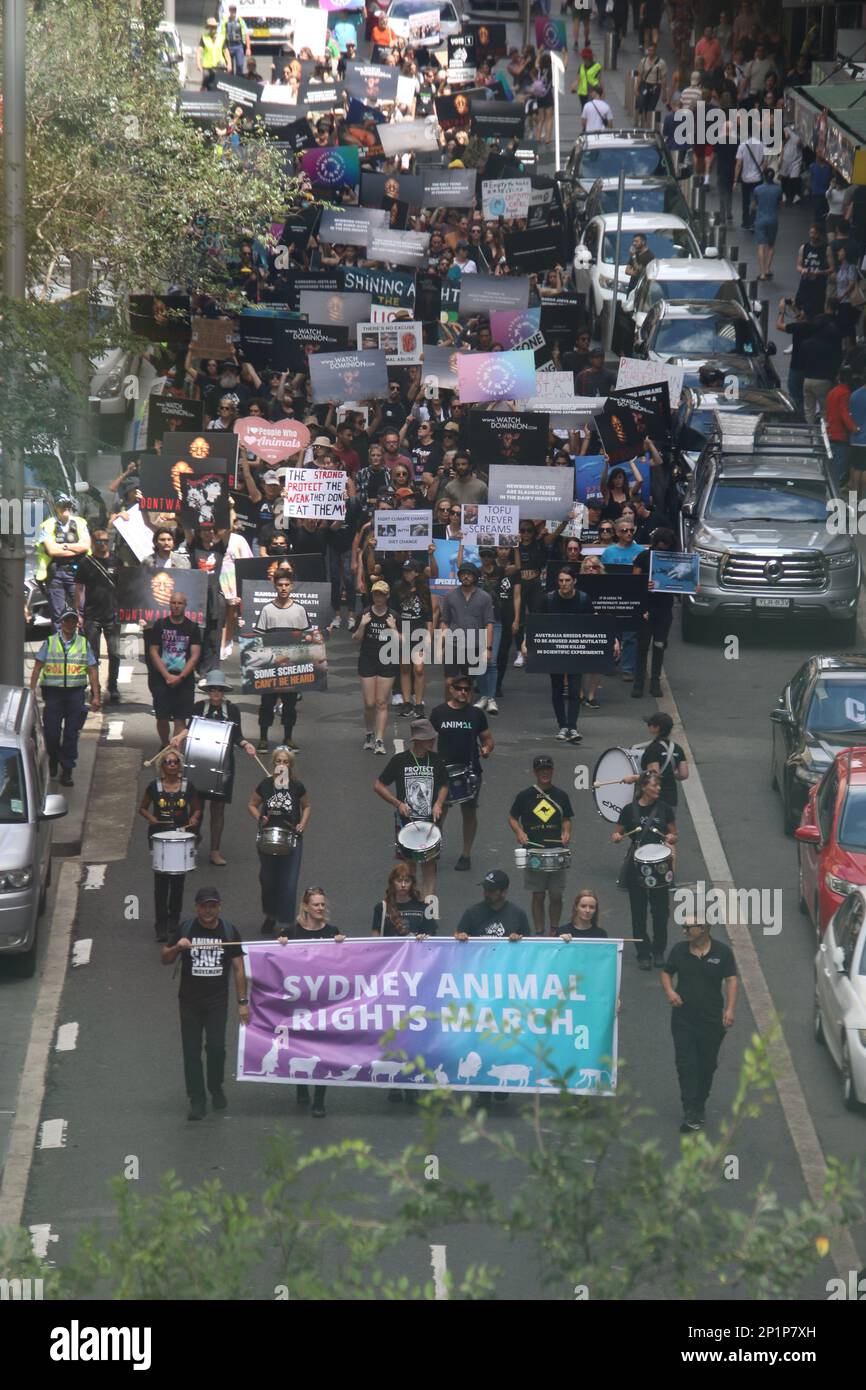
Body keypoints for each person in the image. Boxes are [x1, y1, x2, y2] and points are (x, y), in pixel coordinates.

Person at [162, 886, 247, 1121]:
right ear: (196, 907)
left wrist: (242, 1002)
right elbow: (165, 958)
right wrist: (177, 947)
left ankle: (215, 1086)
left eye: (212, 906)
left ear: (219, 906)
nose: (208, 910)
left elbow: (239, 968)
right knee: (191, 1052)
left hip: (217, 1003)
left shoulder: (229, 932)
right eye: (203, 906)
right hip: (189, 1002)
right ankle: (197, 1099)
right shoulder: (186, 928)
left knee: (217, 1048)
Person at [171, 671, 256, 866]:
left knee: (218, 809)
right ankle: (193, 841)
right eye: (212, 689)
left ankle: (214, 850)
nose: (216, 692)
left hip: (223, 765)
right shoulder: (199, 707)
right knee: (196, 806)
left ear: (224, 691)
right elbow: (190, 728)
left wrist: (246, 745)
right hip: (199, 762)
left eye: (219, 689)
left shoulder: (233, 710)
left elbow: (237, 735)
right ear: (208, 691)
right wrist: (180, 736)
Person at [661, 918, 738, 1132]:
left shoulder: (722, 952)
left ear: (703, 928)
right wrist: (670, 991)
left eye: (689, 927)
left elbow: (731, 980)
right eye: (683, 927)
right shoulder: (679, 950)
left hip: (711, 1020)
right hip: (683, 1019)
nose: (684, 931)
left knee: (706, 1065)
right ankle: (689, 1111)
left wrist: (730, 1009)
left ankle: (700, 1101)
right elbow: (666, 972)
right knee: (685, 1064)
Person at [276, 889, 346, 1118]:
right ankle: (301, 1087)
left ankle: (319, 1100)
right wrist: (280, 945)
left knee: (322, 1049)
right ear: (305, 907)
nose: (320, 908)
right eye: (315, 904)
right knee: (301, 1046)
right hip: (300, 1002)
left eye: (322, 905)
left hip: (324, 1003)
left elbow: (344, 963)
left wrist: (341, 945)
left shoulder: (332, 932)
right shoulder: (291, 932)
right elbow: (278, 962)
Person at [374, 718, 449, 898]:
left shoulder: (436, 760)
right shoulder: (400, 760)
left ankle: (426, 902)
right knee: (408, 865)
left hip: (429, 822)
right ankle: (410, 901)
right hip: (406, 822)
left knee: (430, 864)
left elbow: (445, 784)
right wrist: (398, 803)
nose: (433, 741)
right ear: (418, 740)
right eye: (429, 739)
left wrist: (438, 803)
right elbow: (378, 785)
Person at [611, 771, 677, 970]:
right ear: (644, 787)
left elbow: (673, 833)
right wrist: (616, 837)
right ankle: (643, 952)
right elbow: (617, 832)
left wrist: (672, 838)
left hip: (660, 865)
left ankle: (658, 950)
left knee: (660, 911)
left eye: (659, 785)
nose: (658, 789)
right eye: (654, 785)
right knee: (638, 911)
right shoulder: (629, 810)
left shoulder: (664, 809)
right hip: (637, 865)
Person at [29, 606, 100, 786]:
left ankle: (67, 769)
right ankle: (54, 758)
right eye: (67, 620)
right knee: (51, 734)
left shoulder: (83, 643)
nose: (70, 624)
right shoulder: (50, 642)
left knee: (71, 734)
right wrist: (31, 692)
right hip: (53, 695)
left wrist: (95, 695)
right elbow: (37, 666)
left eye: (73, 621)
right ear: (61, 623)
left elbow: (92, 670)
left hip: (75, 694)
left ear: (77, 624)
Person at [430, 675, 494, 872]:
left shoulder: (476, 714)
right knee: (439, 813)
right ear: (451, 690)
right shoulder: (439, 712)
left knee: (469, 811)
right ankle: (434, 848)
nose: (463, 692)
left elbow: (488, 739)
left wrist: (487, 749)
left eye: (467, 689)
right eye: (459, 688)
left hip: (469, 771)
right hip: (444, 772)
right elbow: (428, 740)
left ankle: (466, 854)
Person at [139, 749, 202, 942]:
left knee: (178, 881)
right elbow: (142, 808)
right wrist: (151, 819)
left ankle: (174, 920)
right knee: (161, 883)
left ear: (179, 765)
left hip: (181, 836)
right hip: (160, 836)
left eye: (175, 762)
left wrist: (193, 818)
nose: (172, 765)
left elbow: (197, 808)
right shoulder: (154, 787)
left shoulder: (188, 786)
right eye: (168, 762)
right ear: (162, 766)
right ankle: (161, 924)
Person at [508, 754, 574, 936]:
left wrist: (566, 832)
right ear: (535, 772)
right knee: (537, 894)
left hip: (556, 850)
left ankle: (553, 929)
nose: (544, 773)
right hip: (534, 850)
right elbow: (512, 817)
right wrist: (519, 832)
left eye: (547, 769)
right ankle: (539, 932)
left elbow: (567, 818)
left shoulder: (561, 795)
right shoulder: (525, 796)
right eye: (540, 770)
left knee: (556, 894)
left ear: (552, 771)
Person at [254, 568, 318, 753]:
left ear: (292, 586)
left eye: (286, 585)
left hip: (292, 667)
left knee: (290, 705)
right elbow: (259, 639)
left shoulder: (299, 610)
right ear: (275, 586)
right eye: (280, 585)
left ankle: (288, 738)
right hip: (271, 666)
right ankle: (264, 739)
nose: (283, 588)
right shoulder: (267, 609)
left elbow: (306, 639)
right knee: (267, 704)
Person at [249, 745, 310, 935]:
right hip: (268, 836)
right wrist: (260, 817)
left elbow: (307, 806)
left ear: (290, 765)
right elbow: (252, 804)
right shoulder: (265, 784)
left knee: (288, 882)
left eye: (285, 762)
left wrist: (302, 823)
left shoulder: (297, 786)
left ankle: (286, 923)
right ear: (274, 763)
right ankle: (270, 914)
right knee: (268, 880)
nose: (282, 764)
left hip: (291, 838)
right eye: (279, 761)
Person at [145, 591, 202, 749]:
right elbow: (153, 651)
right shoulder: (160, 625)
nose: (176, 606)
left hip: (184, 680)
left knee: (180, 718)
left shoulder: (192, 627)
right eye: (173, 603)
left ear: (185, 605)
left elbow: (195, 655)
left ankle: (175, 749)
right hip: (161, 678)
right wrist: (166, 675)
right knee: (162, 716)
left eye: (179, 603)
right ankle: (164, 745)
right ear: (169, 604)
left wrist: (181, 677)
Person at [73, 526, 121, 704]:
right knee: (92, 655)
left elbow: (125, 587)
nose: (103, 544)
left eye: (106, 541)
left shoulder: (117, 562)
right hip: (92, 615)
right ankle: (95, 688)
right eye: (99, 541)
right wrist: (78, 612)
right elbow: (78, 589)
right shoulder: (86, 563)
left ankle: (113, 686)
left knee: (115, 653)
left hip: (113, 615)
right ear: (93, 543)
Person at [354, 578, 399, 754]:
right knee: (369, 702)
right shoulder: (365, 613)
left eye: (381, 594)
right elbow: (356, 639)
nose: (378, 597)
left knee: (381, 702)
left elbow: (402, 642)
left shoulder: (393, 615)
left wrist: (394, 628)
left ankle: (379, 740)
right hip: (367, 660)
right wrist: (362, 626)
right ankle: (369, 733)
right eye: (375, 594)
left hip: (387, 661)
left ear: (387, 596)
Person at [34, 492, 91, 628]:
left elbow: (86, 546)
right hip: (56, 573)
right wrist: (74, 549)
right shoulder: (47, 525)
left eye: (68, 505)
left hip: (77, 573)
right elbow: (51, 550)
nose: (65, 508)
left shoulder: (80, 522)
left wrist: (64, 546)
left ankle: (81, 646)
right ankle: (59, 648)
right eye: (61, 505)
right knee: (58, 614)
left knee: (81, 611)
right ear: (55, 507)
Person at [631, 526, 676, 697]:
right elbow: (634, 582)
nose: (664, 549)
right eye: (661, 545)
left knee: (659, 646)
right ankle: (638, 683)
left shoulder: (674, 559)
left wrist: (691, 585)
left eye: (667, 546)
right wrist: (644, 584)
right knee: (642, 647)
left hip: (664, 609)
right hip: (645, 609)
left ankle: (655, 682)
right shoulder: (643, 557)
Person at [437, 562, 494, 681]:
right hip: (452, 644)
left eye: (469, 574)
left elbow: (488, 624)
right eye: (463, 574)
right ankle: (449, 701)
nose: (466, 576)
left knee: (468, 683)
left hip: (474, 645)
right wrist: (440, 646)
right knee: (449, 681)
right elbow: (444, 622)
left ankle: (469, 700)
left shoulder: (485, 597)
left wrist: (488, 649)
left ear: (475, 577)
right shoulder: (449, 596)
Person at [392, 559, 433, 717]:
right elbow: (393, 612)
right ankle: (407, 702)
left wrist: (429, 635)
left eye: (409, 570)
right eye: (405, 570)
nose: (406, 573)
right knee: (404, 668)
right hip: (403, 632)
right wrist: (396, 632)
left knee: (419, 669)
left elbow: (428, 615)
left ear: (416, 573)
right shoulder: (398, 588)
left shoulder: (424, 589)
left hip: (419, 632)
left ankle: (419, 703)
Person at [454, 870, 530, 940]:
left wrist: (518, 940)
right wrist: (460, 936)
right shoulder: (471, 913)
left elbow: (528, 944)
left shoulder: (518, 915)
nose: (486, 893)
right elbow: (457, 935)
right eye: (485, 889)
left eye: (491, 891)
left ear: (504, 892)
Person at [371, 862, 439, 936]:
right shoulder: (381, 908)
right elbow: (375, 941)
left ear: (412, 884)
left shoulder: (424, 908)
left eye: (407, 881)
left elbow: (431, 937)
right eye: (399, 881)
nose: (403, 885)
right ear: (392, 883)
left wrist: (424, 937)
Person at [751, 167, 782, 280]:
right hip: (773, 219)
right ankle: (768, 269)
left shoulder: (757, 189)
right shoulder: (778, 189)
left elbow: (753, 206)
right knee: (771, 245)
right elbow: (780, 205)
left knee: (761, 246)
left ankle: (762, 273)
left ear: (763, 176)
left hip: (760, 220)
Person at [734, 132, 765, 231]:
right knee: (755, 200)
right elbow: (765, 162)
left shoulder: (742, 146)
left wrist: (735, 180)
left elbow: (738, 164)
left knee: (745, 201)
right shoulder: (761, 145)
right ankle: (754, 221)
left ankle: (746, 222)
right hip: (758, 178)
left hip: (746, 178)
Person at [634, 44, 667, 129]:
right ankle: (643, 119)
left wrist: (664, 93)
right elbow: (640, 75)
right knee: (642, 102)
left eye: (652, 50)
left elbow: (663, 78)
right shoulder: (643, 61)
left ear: (655, 51)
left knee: (651, 106)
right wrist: (636, 87)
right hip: (645, 84)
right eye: (649, 50)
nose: (650, 52)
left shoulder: (661, 63)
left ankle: (648, 123)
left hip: (655, 86)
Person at [197, 17, 229, 91]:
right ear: (208, 28)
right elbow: (199, 51)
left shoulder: (221, 38)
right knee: (206, 76)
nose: (212, 29)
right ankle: (203, 90)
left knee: (219, 83)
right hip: (207, 65)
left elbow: (226, 51)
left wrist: (229, 64)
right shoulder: (204, 38)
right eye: (211, 27)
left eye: (214, 27)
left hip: (219, 65)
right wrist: (198, 64)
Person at [219, 4, 251, 75]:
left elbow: (246, 34)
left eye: (234, 10)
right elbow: (219, 34)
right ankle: (230, 82)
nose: (233, 11)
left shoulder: (240, 21)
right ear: (229, 11)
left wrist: (248, 48)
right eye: (232, 10)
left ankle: (238, 81)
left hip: (238, 46)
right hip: (228, 47)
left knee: (240, 65)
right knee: (229, 68)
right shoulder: (224, 21)